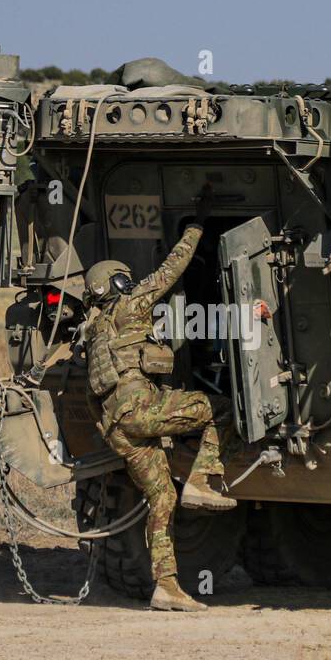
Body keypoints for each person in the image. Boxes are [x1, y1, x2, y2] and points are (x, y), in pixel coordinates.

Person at [83, 211, 236, 612]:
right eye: (123, 279)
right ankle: (203, 480)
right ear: (117, 283)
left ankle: (166, 587)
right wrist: (195, 229)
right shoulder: (131, 305)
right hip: (141, 410)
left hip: (119, 427)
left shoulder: (94, 330)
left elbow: (92, 394)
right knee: (216, 407)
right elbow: (170, 272)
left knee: (163, 496)